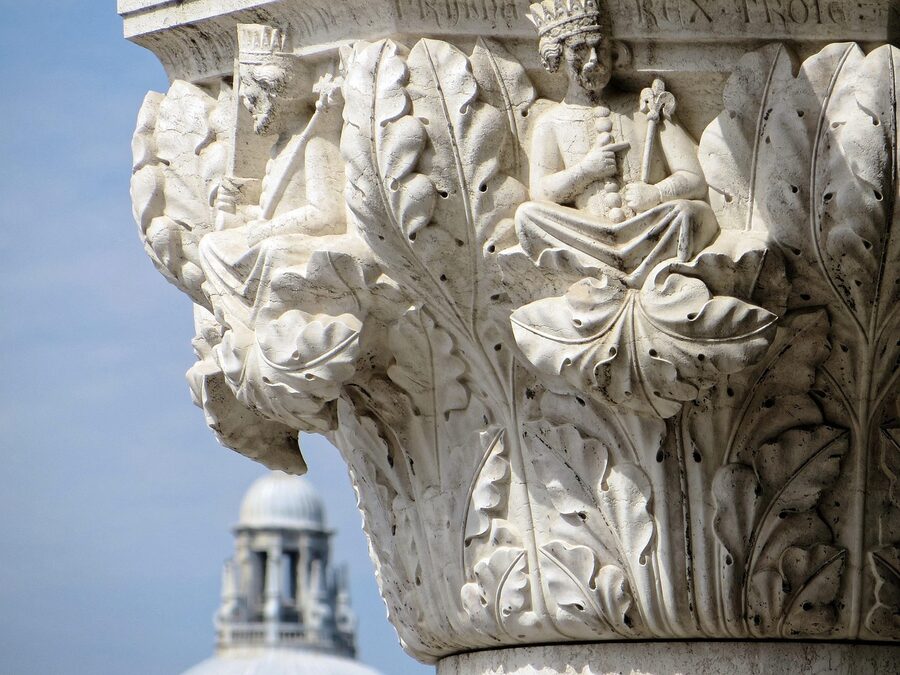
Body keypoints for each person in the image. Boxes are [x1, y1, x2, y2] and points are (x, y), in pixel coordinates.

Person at [518, 0, 718, 288]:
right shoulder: (550, 123)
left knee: (686, 213)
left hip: (650, 226)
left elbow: (694, 178)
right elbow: (541, 192)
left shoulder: (645, 108)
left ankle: (633, 272)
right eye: (579, 49)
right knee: (527, 214)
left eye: (599, 48)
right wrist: (586, 171)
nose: (593, 59)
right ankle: (607, 268)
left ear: (613, 51)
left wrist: (656, 193)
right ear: (556, 57)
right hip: (591, 235)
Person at [199, 24, 346, 328]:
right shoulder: (280, 148)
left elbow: (327, 214)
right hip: (274, 236)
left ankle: (261, 324)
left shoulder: (315, 142)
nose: (247, 103)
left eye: (252, 95)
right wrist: (240, 214)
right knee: (211, 244)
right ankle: (241, 326)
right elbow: (276, 209)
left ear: (278, 92)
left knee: (273, 250)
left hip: (294, 244)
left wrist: (265, 231)